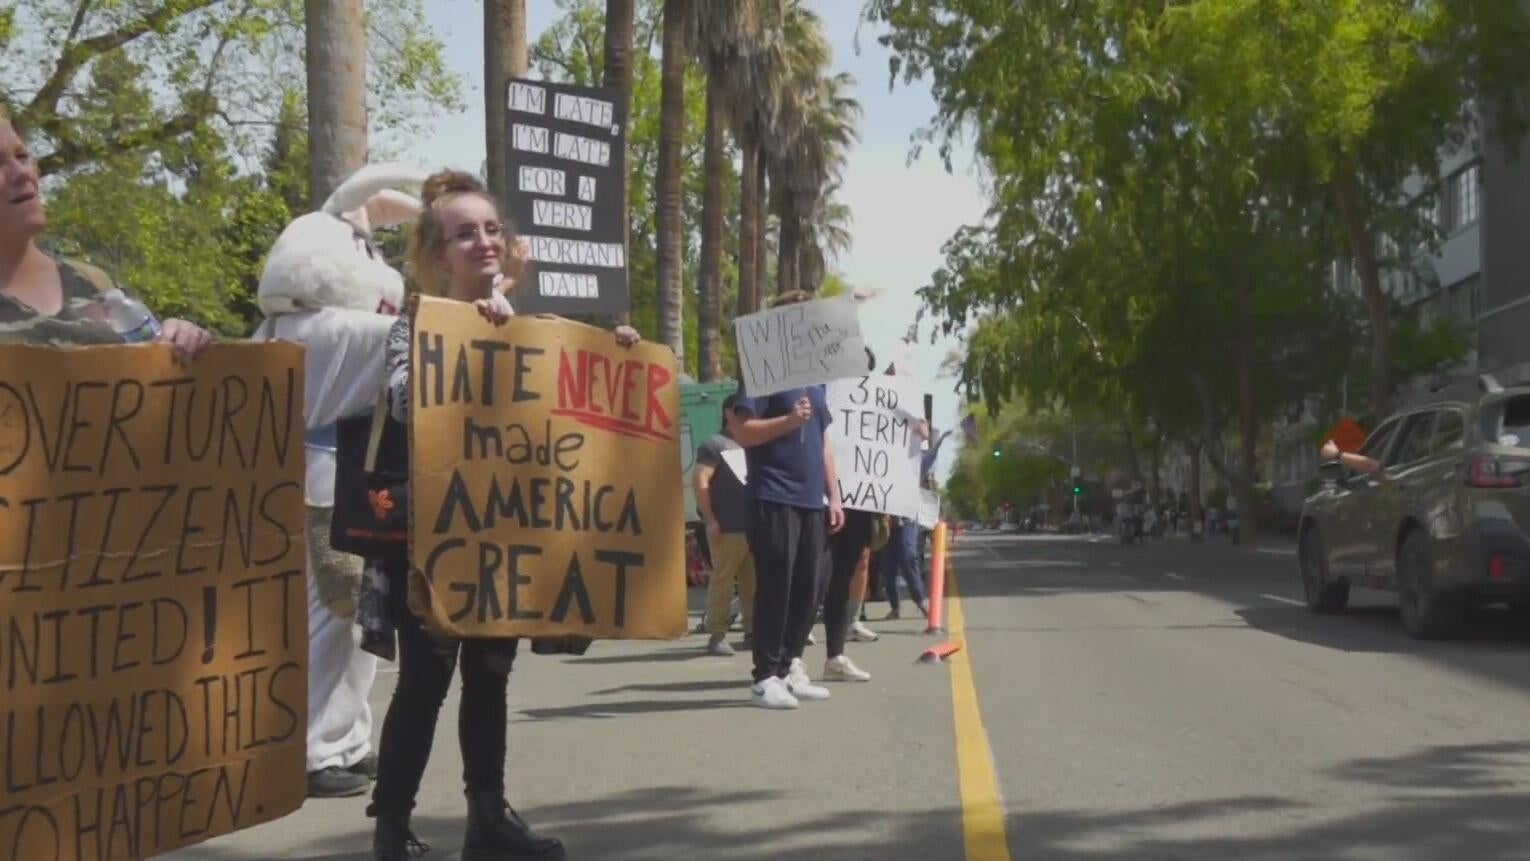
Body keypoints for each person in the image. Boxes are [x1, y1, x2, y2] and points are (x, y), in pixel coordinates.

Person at [367, 169, 641, 861]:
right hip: (434, 535)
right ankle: (391, 829)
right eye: (466, 234)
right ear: (439, 255)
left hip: (504, 531)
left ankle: (487, 818)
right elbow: (404, 401)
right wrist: (472, 338)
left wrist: (617, 360)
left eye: (492, 229)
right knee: (425, 683)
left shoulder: (532, 328)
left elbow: (570, 419)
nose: (484, 242)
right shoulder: (417, 323)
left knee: (490, 676)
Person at [252, 163, 430, 798]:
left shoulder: (276, 330)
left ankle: (345, 739)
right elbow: (424, 343)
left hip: (305, 483)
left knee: (346, 618)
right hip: (334, 489)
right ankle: (318, 747)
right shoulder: (346, 330)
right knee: (338, 618)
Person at [0, 111, 211, 354]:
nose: (23, 173)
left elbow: (149, 360)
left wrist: (178, 339)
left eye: (22, 156)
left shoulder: (96, 283)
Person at [732, 290, 845, 710]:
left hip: (811, 501)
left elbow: (823, 441)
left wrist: (834, 495)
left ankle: (789, 666)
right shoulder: (761, 372)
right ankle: (764, 677)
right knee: (776, 586)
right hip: (773, 494)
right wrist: (787, 421)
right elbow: (743, 432)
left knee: (809, 588)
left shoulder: (816, 379)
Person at [695, 393, 756, 656]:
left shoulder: (753, 441)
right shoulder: (714, 444)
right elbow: (701, 481)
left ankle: (753, 631)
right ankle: (717, 634)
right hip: (727, 527)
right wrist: (710, 520)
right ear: (728, 413)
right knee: (723, 581)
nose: (749, 414)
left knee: (754, 583)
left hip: (754, 527)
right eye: (743, 410)